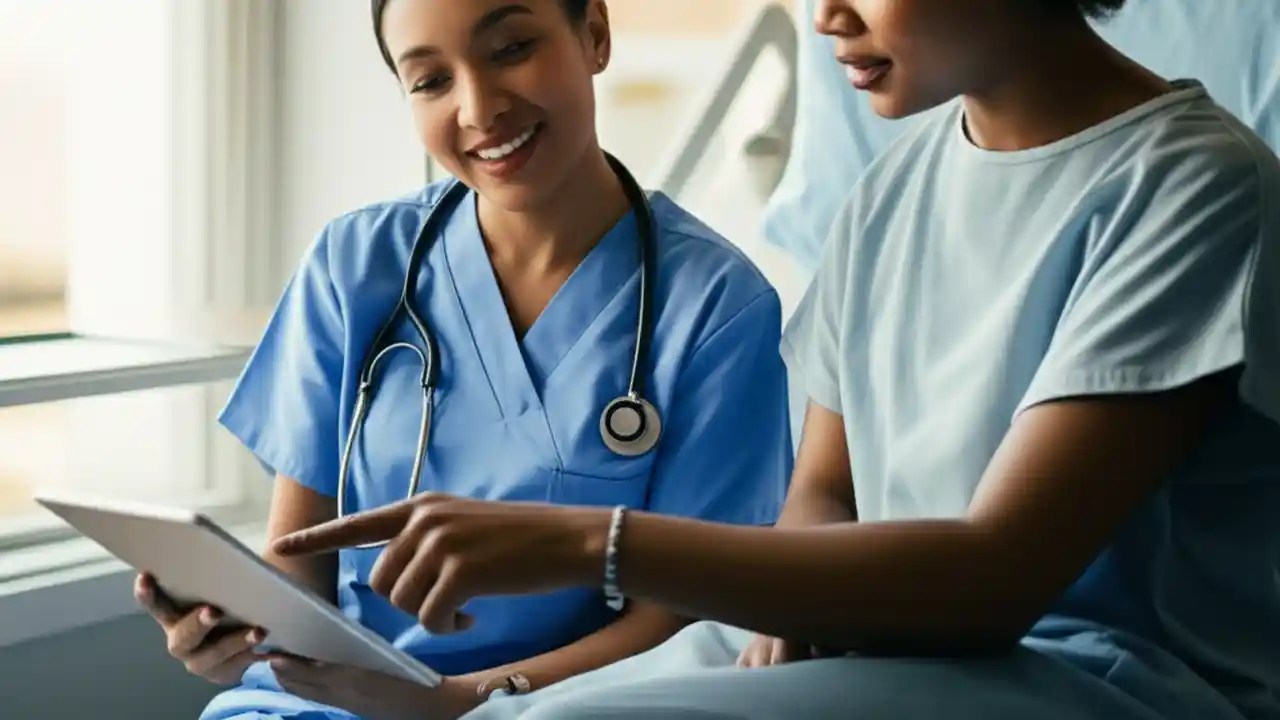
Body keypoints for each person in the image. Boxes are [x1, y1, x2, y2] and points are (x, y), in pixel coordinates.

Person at [273, 0, 1280, 718]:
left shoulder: (1188, 190)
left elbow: (997, 575)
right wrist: (794, 611)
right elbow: (824, 492)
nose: (825, 17)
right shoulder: (893, 191)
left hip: (1097, 673)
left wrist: (590, 542)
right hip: (883, 633)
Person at [132, 1, 794, 718]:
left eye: (511, 48)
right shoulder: (354, 266)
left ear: (594, 35)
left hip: (567, 708)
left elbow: (680, 622)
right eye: (429, 81)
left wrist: (449, 701)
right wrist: (234, 632)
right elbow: (300, 565)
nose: (479, 109)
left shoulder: (716, 308)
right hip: (319, 705)